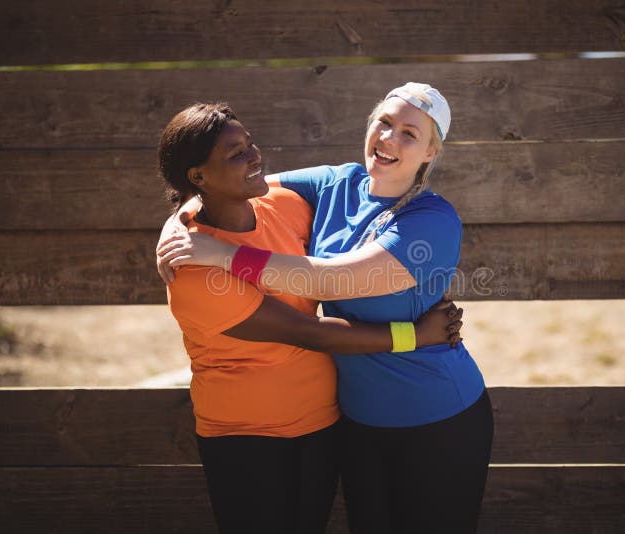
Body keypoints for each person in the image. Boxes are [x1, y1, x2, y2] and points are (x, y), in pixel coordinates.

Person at [158, 84, 493, 533]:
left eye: (410, 134)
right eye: (385, 122)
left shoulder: (431, 221)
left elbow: (329, 280)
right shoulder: (336, 183)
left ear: (431, 152)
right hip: (355, 421)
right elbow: (229, 183)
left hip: (434, 414)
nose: (390, 138)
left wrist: (221, 255)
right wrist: (175, 225)